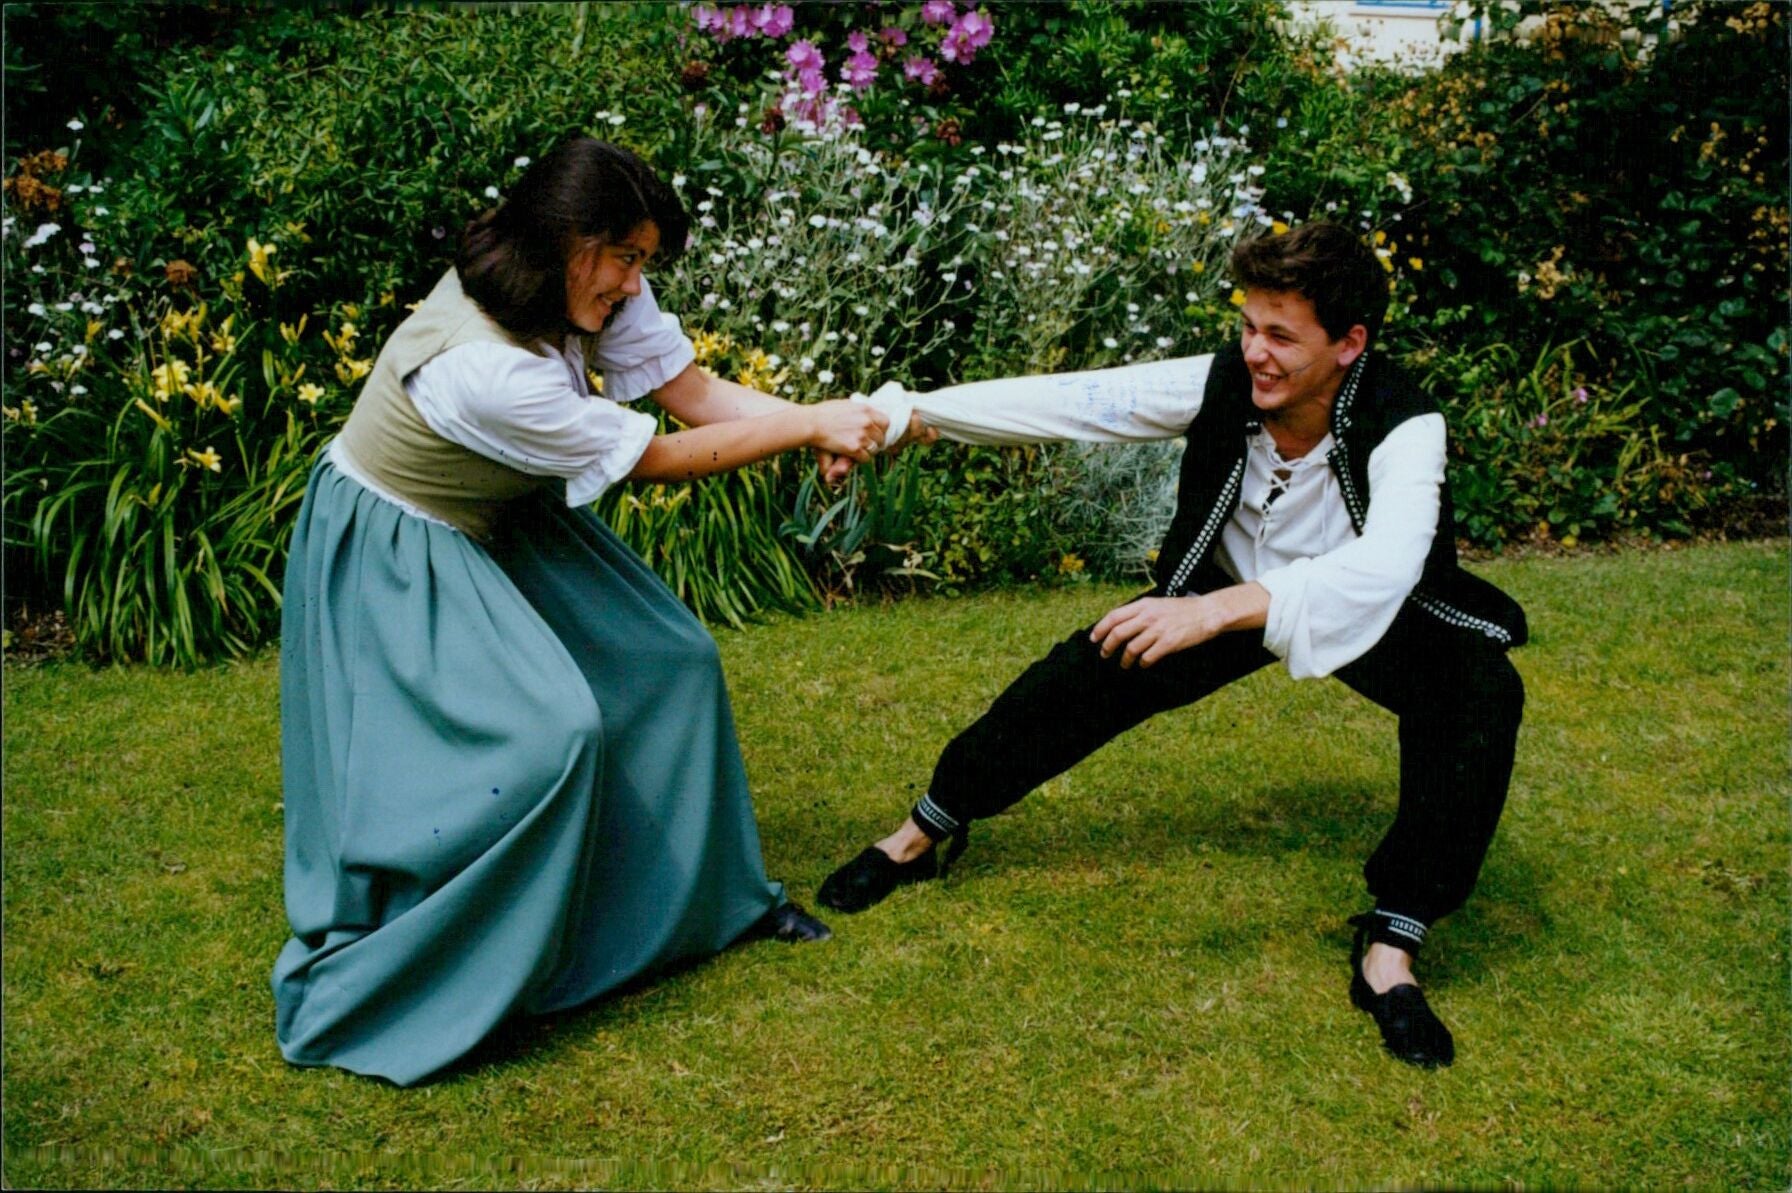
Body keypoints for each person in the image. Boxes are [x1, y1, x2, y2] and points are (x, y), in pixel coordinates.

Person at [274, 137, 905, 1086]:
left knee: (673, 661)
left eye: (643, 261)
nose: (632, 282)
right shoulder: (485, 371)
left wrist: (816, 420)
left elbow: (688, 396)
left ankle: (709, 905)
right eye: (627, 259)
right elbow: (654, 458)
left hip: (500, 506)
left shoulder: (584, 284)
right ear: (570, 241)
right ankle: (463, 965)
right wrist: (809, 423)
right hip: (403, 539)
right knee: (549, 737)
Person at [820, 221, 1527, 1069]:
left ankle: (1391, 949)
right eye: (1248, 326)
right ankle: (921, 834)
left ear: (1350, 343)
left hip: (1356, 606)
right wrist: (905, 415)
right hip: (1220, 589)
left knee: (1480, 693)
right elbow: (1073, 401)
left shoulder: (1408, 425)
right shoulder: (1224, 381)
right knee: (1084, 674)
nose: (1254, 352)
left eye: (1280, 335)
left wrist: (1226, 608)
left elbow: (1386, 565)